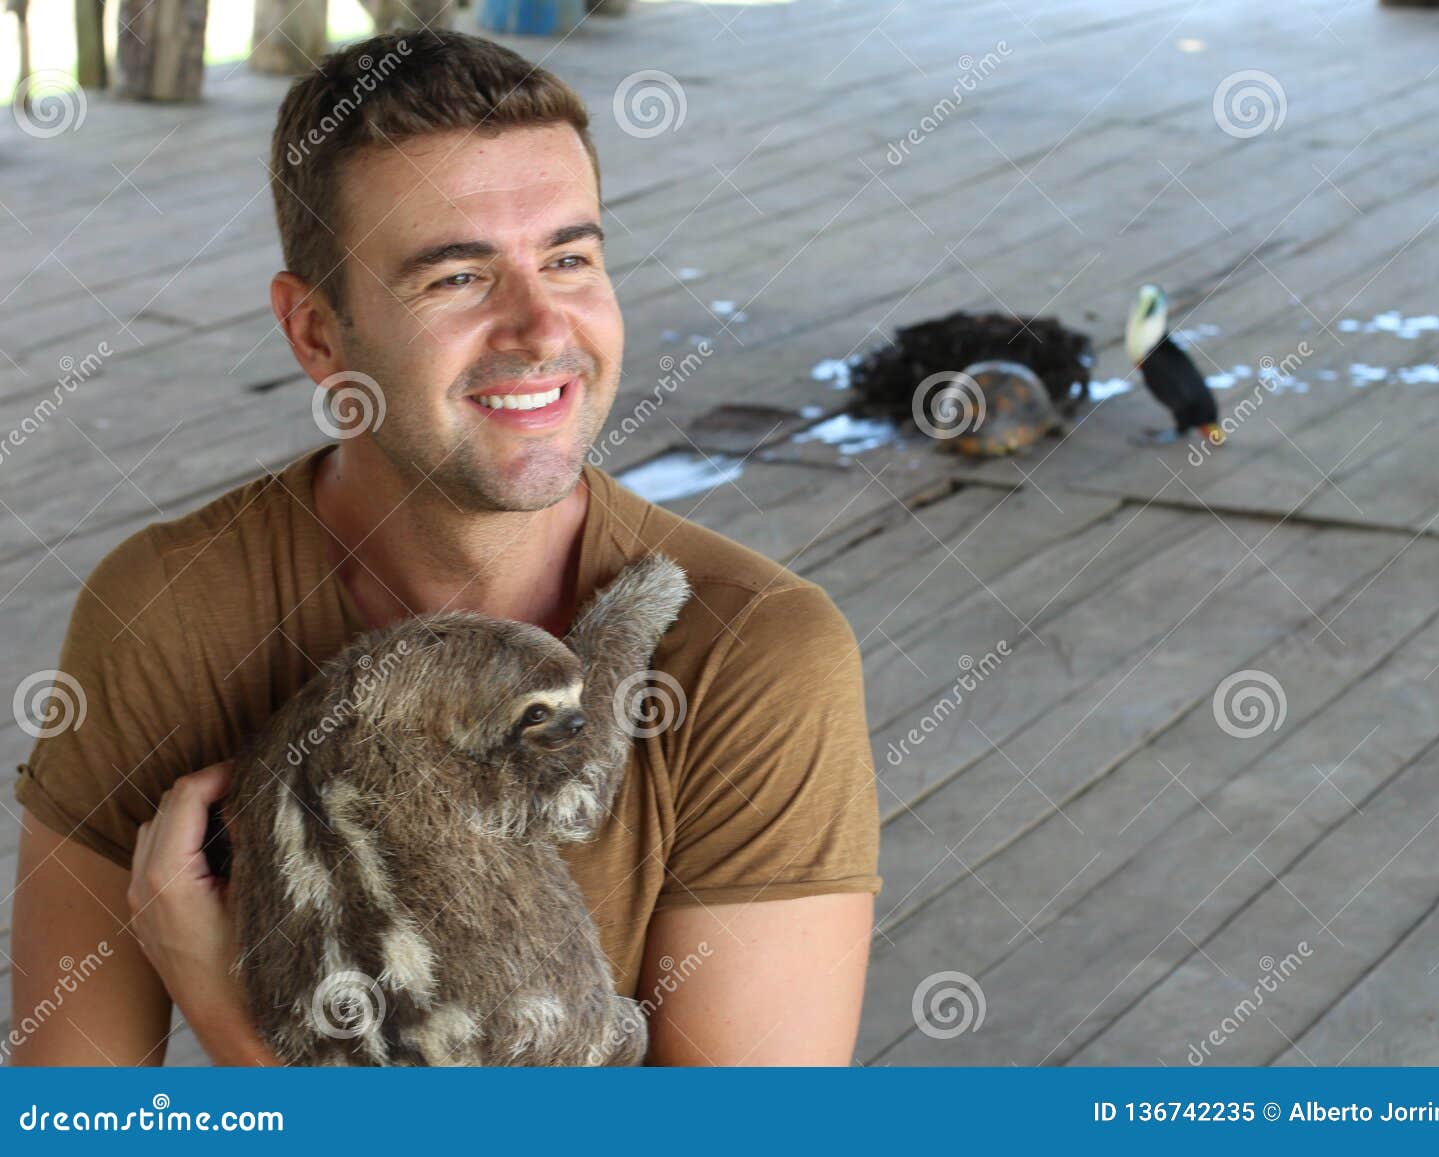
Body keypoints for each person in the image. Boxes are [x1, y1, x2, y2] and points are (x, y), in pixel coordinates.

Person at [10, 29, 880, 1066]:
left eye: (567, 258)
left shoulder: (753, 651)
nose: (539, 326)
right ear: (318, 336)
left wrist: (223, 1006)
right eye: (457, 277)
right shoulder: (174, 604)